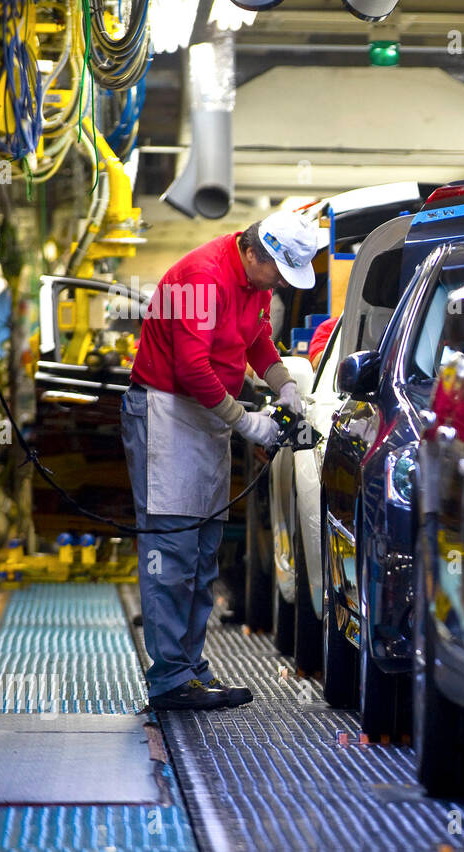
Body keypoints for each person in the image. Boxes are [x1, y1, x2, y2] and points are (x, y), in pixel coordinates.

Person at [121, 211, 321, 710]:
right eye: (278, 272)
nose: (279, 283)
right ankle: (170, 678)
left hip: (204, 416)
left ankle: (189, 670)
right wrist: (247, 422)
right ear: (255, 252)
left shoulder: (253, 284)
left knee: (203, 550)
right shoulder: (202, 277)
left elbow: (256, 341)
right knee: (171, 552)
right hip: (167, 412)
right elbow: (191, 367)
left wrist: (285, 384)